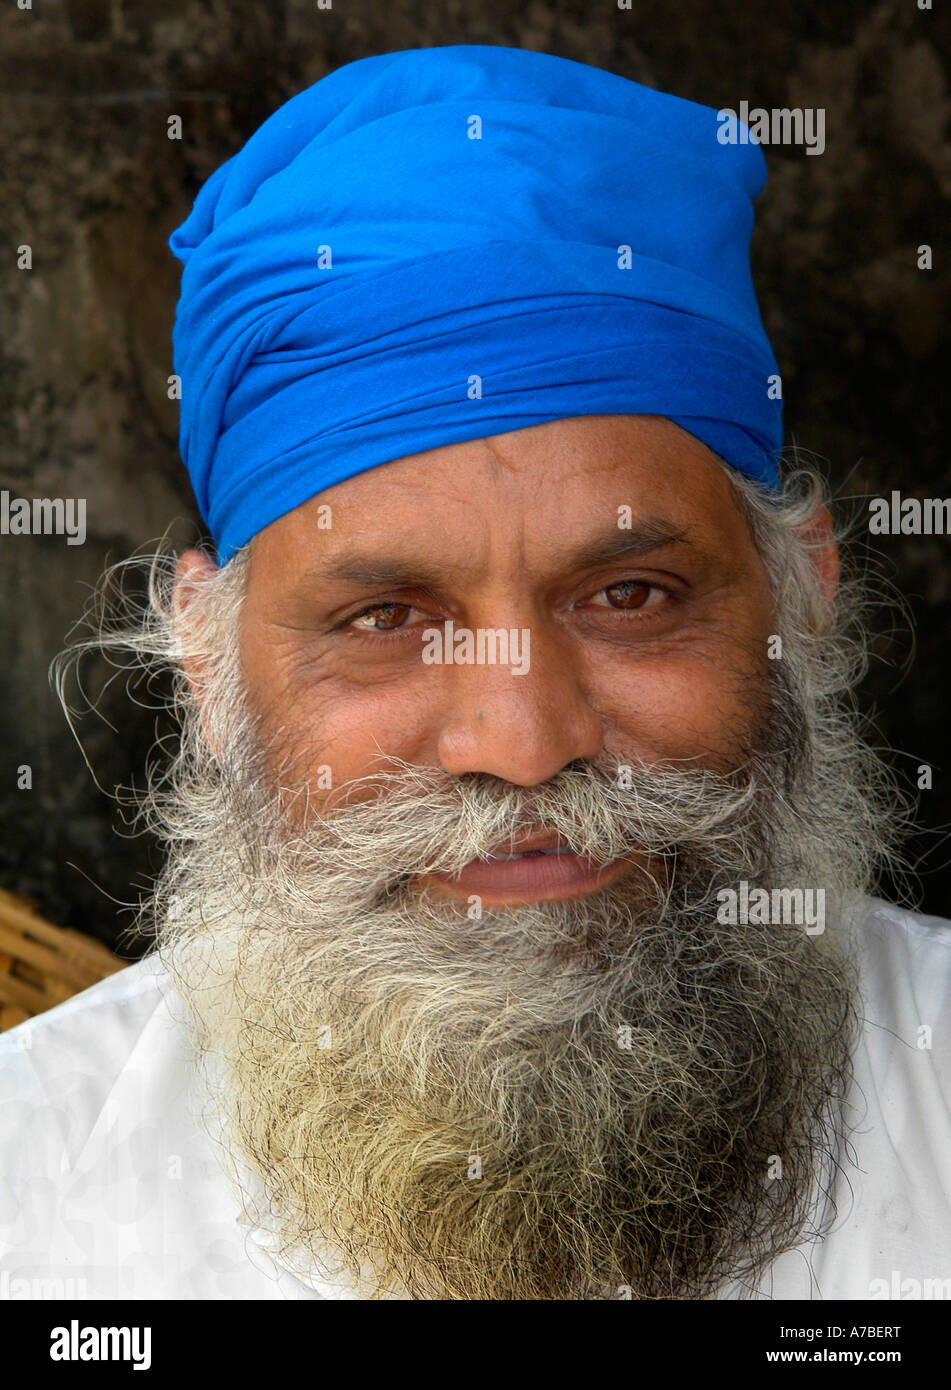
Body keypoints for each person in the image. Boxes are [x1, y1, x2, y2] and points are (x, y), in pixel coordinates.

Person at [2, 44, 949, 1302]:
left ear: (805, 601)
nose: (520, 736)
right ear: (211, 669)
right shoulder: (36, 1192)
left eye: (630, 596)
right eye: (387, 615)